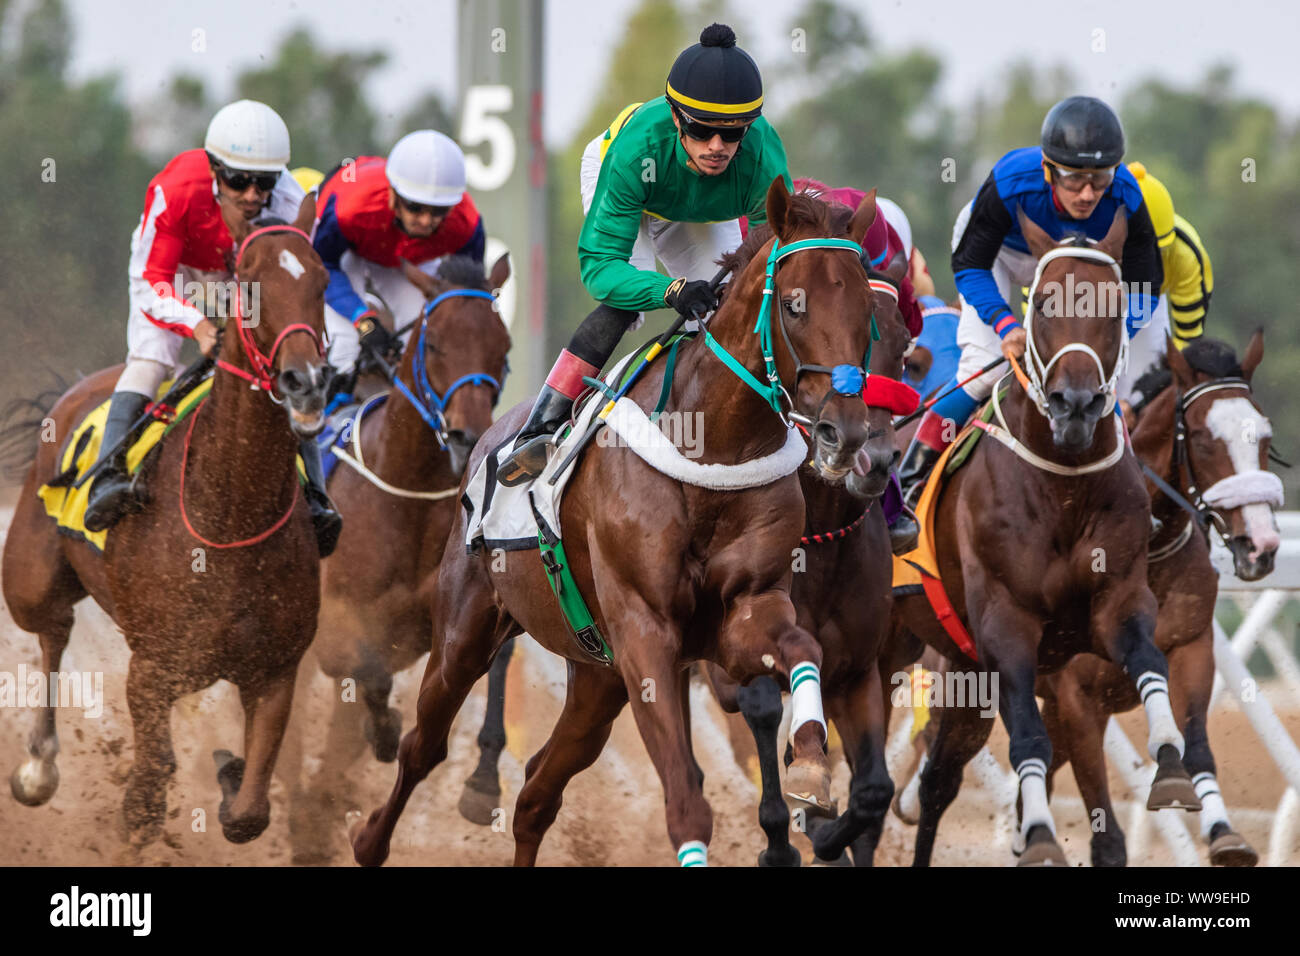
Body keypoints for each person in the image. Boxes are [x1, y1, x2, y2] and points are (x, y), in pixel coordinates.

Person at [498, 23, 791, 485]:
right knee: (624, 302)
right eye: (701, 130)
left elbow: (775, 260)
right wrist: (669, 290)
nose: (717, 147)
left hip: (696, 207)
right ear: (677, 118)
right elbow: (600, 269)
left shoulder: (764, 159)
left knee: (732, 305)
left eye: (732, 133)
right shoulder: (637, 151)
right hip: (634, 185)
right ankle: (542, 427)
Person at [83, 100, 342, 555]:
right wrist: (201, 326)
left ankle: (316, 496)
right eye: (238, 180)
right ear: (214, 170)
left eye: (263, 182)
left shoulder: (287, 202)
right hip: (175, 273)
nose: (251, 194)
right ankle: (108, 476)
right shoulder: (176, 189)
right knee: (151, 362)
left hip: (243, 275)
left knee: (282, 370)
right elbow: (151, 281)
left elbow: (289, 282)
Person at [897, 95, 1164, 503]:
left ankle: (1131, 495)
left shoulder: (1126, 195)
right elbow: (971, 266)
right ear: (1047, 169)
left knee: (1103, 378)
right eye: (1074, 178)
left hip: (1080, 264)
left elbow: (1146, 285)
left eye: (1101, 178)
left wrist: (1117, 332)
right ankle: (912, 479)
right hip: (1000, 256)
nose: (1089, 193)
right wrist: (1005, 326)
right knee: (985, 368)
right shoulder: (1010, 181)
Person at [312, 130, 485, 382]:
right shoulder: (350, 209)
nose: (426, 221)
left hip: (407, 259)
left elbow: (466, 293)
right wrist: (363, 319)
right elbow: (322, 265)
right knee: (346, 346)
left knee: (424, 339)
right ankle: (335, 408)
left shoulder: (466, 222)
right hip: (348, 251)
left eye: (439, 211)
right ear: (392, 193)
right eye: (415, 207)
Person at [1123, 161, 1214, 407]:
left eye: (1159, 253)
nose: (1149, 264)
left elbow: (1187, 345)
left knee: (1141, 388)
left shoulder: (1188, 256)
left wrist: (1140, 402)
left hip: (1148, 303)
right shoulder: (1088, 239)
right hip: (1097, 295)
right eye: (1141, 253)